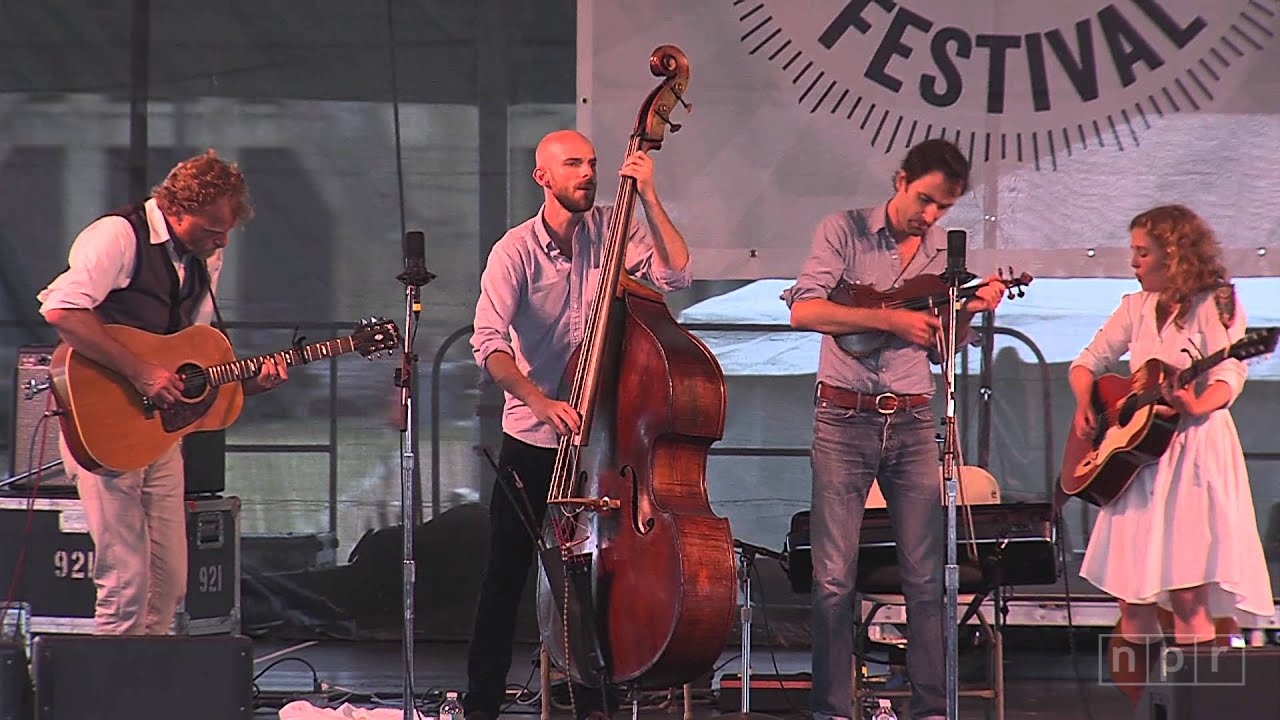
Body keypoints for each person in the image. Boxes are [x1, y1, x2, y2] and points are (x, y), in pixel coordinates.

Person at [466, 129, 691, 720]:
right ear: (544, 178)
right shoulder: (513, 251)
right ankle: (480, 706)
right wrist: (539, 401)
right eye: (573, 165)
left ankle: (596, 700)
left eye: (592, 163)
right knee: (504, 576)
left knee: (594, 572)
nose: (587, 173)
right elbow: (488, 345)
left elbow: (676, 272)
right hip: (534, 437)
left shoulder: (614, 232)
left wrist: (649, 196)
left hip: (602, 443)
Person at [782, 138, 1007, 720]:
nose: (929, 217)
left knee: (928, 576)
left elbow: (943, 350)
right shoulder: (844, 230)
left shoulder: (944, 259)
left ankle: (934, 707)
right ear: (901, 179)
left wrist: (970, 312)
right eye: (925, 199)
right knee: (834, 578)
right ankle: (832, 710)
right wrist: (891, 319)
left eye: (943, 209)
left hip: (910, 420)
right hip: (842, 418)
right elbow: (804, 310)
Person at [38, 149, 288, 634]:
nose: (221, 241)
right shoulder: (117, 235)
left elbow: (190, 360)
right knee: (125, 583)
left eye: (227, 231)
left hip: (158, 431)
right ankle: (104, 699)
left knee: (169, 584)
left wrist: (245, 384)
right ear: (177, 209)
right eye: (213, 229)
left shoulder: (203, 258)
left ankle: (144, 690)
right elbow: (63, 311)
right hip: (103, 421)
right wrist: (140, 373)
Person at [1068, 204, 1274, 704]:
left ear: (1174, 255)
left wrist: (1194, 402)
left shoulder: (1215, 301)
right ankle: (1143, 709)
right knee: (1132, 600)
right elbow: (1088, 361)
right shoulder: (1135, 307)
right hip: (1137, 461)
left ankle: (1195, 707)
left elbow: (1229, 376)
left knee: (1187, 593)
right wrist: (1084, 404)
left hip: (1193, 452)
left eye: (1143, 253)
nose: (1134, 263)